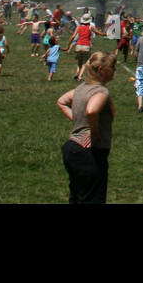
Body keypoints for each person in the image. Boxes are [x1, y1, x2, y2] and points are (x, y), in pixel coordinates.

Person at [57, 51, 117, 203]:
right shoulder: (101, 91)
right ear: (102, 71)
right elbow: (92, 111)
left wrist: (78, 121)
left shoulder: (81, 88)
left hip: (72, 148)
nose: (115, 70)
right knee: (92, 198)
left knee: (77, 196)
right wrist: (94, 132)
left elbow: (62, 102)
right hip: (90, 153)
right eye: (113, 67)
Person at [71, 14, 106, 82]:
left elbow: (73, 36)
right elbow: (100, 33)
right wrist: (107, 33)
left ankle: (77, 73)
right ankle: (80, 77)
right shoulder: (91, 27)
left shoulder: (78, 26)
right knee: (85, 62)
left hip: (78, 46)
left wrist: (68, 45)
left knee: (79, 61)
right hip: (86, 46)